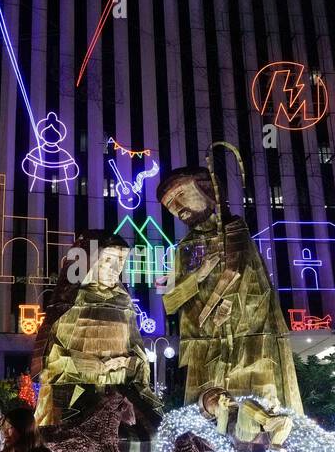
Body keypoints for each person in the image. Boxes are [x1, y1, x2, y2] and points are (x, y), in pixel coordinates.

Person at [156, 166, 303, 414]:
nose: (176, 208)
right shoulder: (183, 248)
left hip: (249, 334)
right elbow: (169, 301)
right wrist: (198, 276)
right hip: (204, 341)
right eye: (169, 204)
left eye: (180, 194)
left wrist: (225, 304)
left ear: (205, 188)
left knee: (260, 399)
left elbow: (244, 274)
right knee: (209, 406)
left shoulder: (236, 229)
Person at [32, 230, 162, 432]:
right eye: (108, 259)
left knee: (148, 432)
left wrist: (129, 362)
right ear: (89, 261)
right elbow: (52, 356)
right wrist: (94, 366)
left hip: (121, 394)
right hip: (78, 397)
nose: (116, 268)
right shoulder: (71, 301)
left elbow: (138, 351)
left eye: (121, 261)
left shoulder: (124, 302)